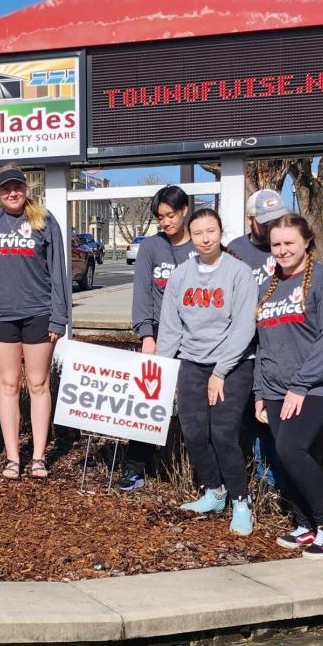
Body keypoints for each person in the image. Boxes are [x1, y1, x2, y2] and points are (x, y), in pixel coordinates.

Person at [156, 207, 257, 534]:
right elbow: (170, 327)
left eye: (210, 231)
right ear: (191, 234)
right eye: (198, 233)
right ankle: (215, 491)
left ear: (221, 231)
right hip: (192, 362)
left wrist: (221, 372)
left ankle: (241, 500)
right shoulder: (180, 275)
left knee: (223, 434)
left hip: (233, 364)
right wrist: (161, 368)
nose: (205, 238)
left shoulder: (239, 273)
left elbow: (244, 328)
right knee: (194, 433)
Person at [254, 214, 323, 560]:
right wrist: (259, 393)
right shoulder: (268, 285)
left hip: (315, 387)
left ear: (307, 241)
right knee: (281, 453)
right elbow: (262, 344)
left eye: (289, 242)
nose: (282, 250)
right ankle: (305, 524)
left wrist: (301, 385)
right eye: (276, 244)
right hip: (275, 388)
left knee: (292, 449)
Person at [0, 165, 68, 479]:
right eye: (5, 189)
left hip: (38, 314)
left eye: (17, 186)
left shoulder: (44, 221)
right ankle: (12, 458)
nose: (12, 193)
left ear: (26, 188)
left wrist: (60, 317)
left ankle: (38, 457)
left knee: (38, 384)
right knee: (8, 384)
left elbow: (59, 272)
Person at [118, 184, 195, 494]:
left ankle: (198, 469)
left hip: (194, 340)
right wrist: (146, 335)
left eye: (170, 215)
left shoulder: (199, 247)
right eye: (160, 217)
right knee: (149, 402)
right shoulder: (151, 247)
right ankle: (135, 466)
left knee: (194, 406)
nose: (165, 222)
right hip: (160, 338)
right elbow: (143, 294)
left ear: (184, 211)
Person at [227, 187, 289, 484]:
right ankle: (255, 476)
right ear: (249, 219)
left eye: (277, 219)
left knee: (274, 417)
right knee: (247, 415)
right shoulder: (235, 250)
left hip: (280, 345)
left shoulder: (288, 245)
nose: (272, 228)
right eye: (265, 222)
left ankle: (277, 480)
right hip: (244, 347)